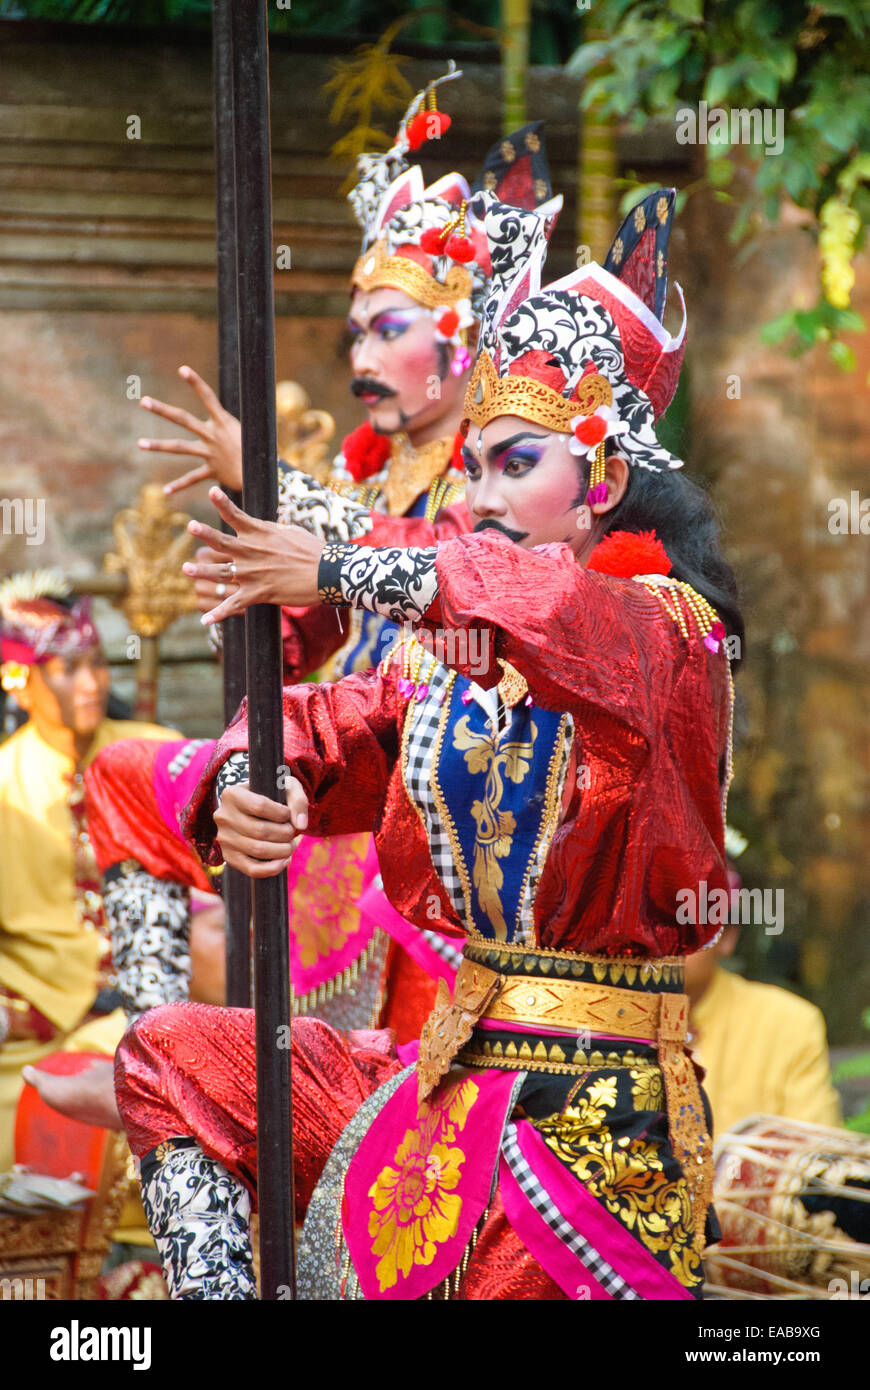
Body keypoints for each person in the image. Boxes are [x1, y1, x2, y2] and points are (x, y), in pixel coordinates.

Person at [114, 185, 744, 1302]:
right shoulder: (454, 650)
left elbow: (540, 610)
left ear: (599, 484)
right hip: (450, 1083)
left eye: (517, 465)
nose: (482, 495)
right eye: (475, 467)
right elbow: (326, 718)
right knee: (173, 1052)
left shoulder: (666, 638)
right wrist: (252, 785)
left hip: (589, 1127)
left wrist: (341, 565)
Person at [92, 69, 561, 1039]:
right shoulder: (375, 471)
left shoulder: (503, 466)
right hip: (330, 747)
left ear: (464, 334)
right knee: (126, 776)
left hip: (441, 773)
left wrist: (271, 480)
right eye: (356, 332)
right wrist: (253, 600)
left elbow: (457, 575)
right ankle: (144, 1039)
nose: (362, 359)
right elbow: (320, 640)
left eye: (391, 330)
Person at [0, 571, 178, 1168]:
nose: (92, 683)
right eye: (68, 668)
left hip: (159, 1002)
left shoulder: (155, 753)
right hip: (36, 1021)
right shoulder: (5, 784)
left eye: (98, 664)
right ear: (17, 681)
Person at [685, 866, 841, 1132]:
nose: (658, 937)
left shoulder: (787, 1024)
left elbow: (815, 1163)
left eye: (683, 918)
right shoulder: (598, 1020)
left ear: (726, 935)